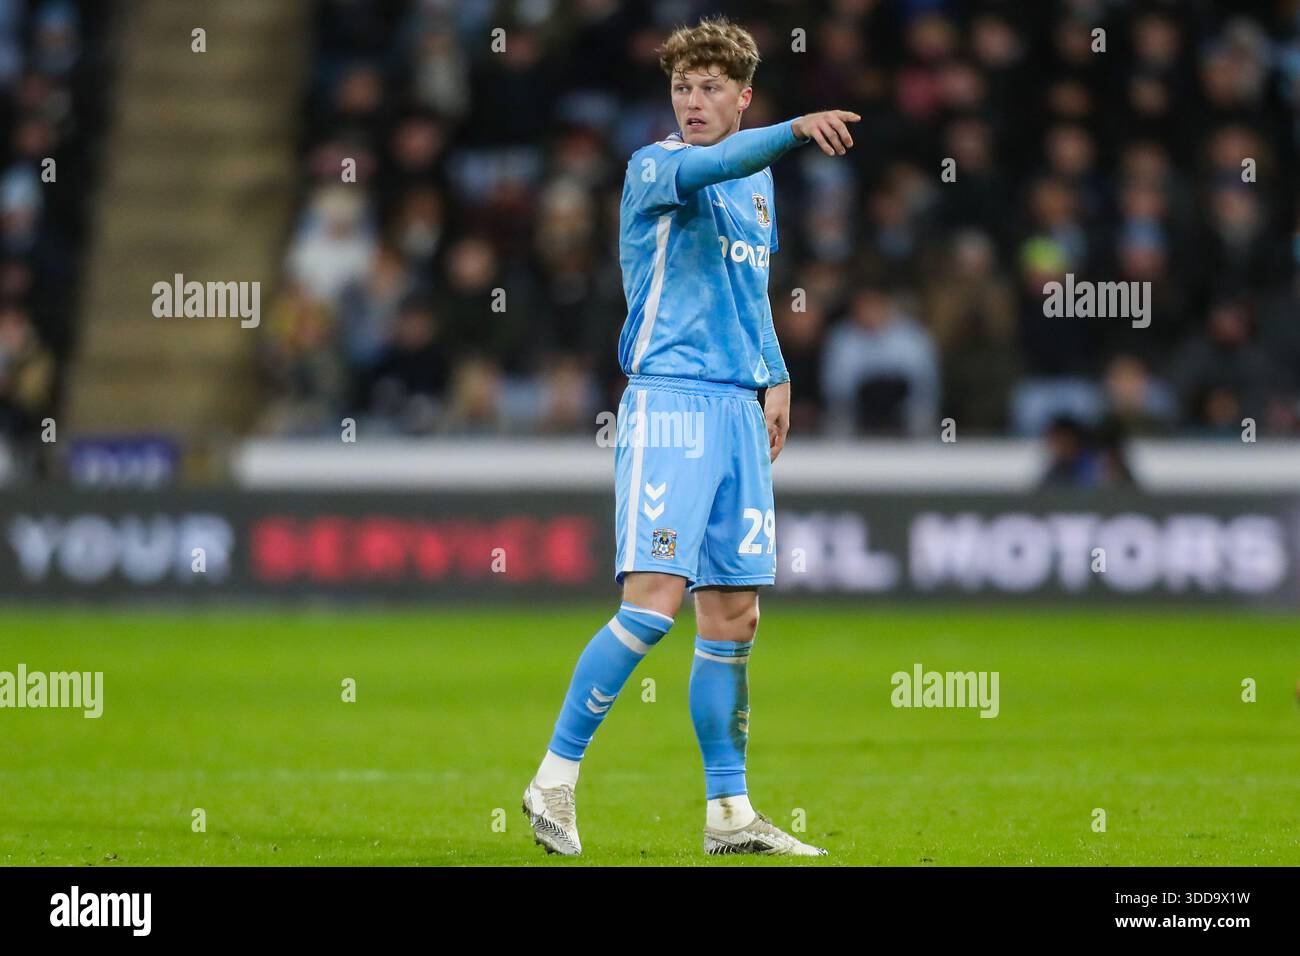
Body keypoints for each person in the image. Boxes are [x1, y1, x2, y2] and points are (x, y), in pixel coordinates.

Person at [522, 16, 858, 856]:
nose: (694, 101)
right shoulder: (659, 165)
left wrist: (775, 373)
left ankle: (729, 815)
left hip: (739, 408)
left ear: (740, 94)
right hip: (670, 403)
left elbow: (753, 287)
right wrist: (789, 131)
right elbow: (722, 160)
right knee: (653, 605)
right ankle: (553, 782)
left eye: (711, 88)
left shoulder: (758, 186)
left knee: (735, 615)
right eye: (683, 87)